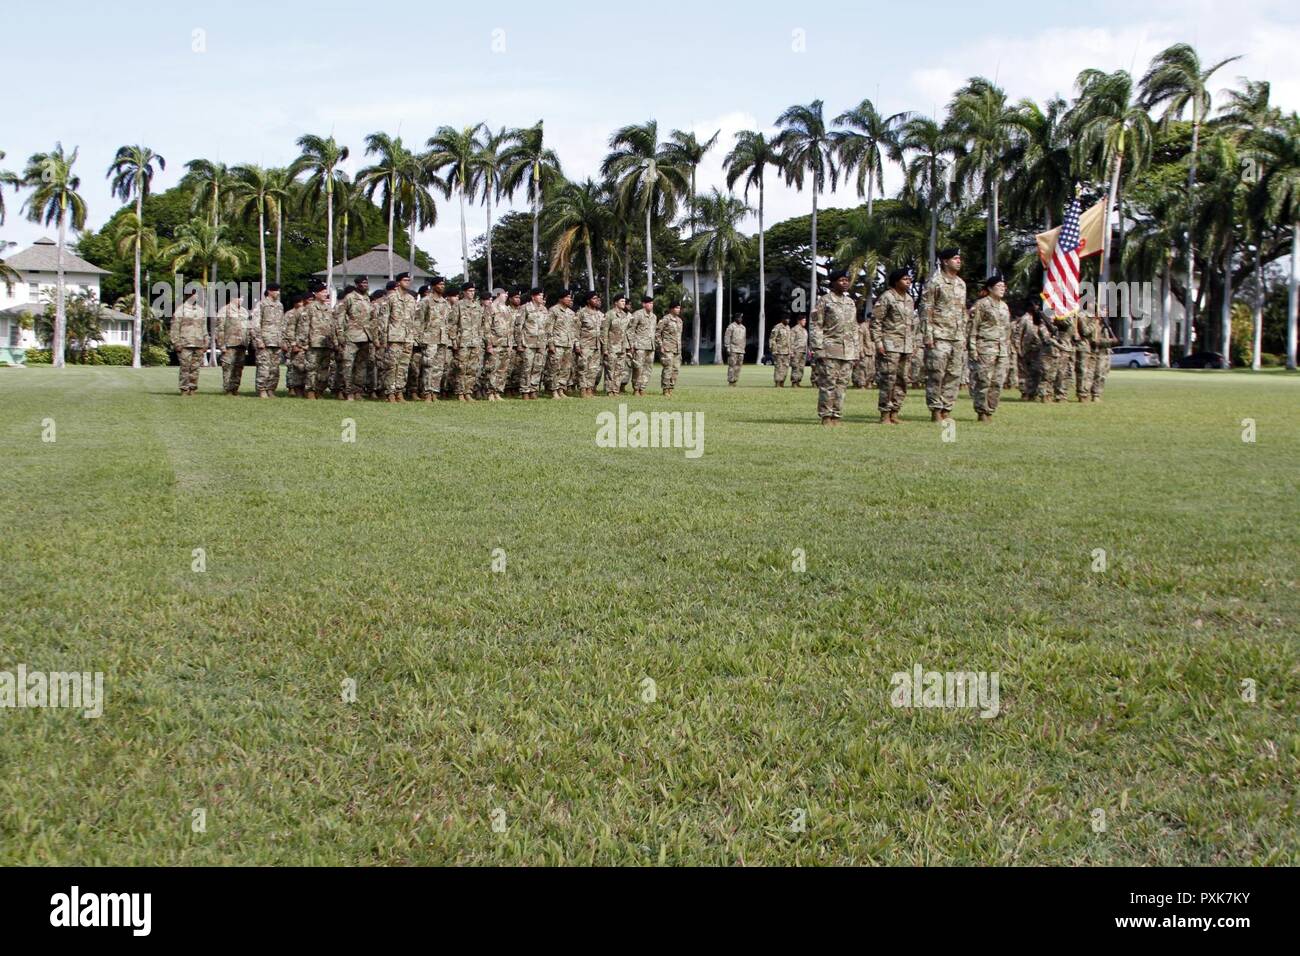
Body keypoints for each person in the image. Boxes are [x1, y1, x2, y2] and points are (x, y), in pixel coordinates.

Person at [921, 247, 968, 422]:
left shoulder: (961, 284)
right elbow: (926, 310)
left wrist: (963, 335)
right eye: (955, 258)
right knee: (936, 374)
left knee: (954, 375)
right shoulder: (935, 282)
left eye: (959, 258)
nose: (958, 261)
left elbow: (963, 312)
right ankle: (935, 410)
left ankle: (947, 409)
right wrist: (928, 335)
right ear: (945, 261)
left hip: (956, 336)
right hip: (939, 335)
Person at [811, 270, 860, 425]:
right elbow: (816, 325)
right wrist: (818, 348)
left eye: (846, 280)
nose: (845, 283)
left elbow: (854, 328)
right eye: (841, 280)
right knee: (828, 384)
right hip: (829, 349)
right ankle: (826, 416)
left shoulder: (850, 302)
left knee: (842, 385)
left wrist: (856, 350)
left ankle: (836, 415)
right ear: (832, 283)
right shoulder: (824, 301)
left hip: (848, 350)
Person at [873, 267, 917, 424]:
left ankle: (895, 412)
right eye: (905, 279)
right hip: (890, 345)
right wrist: (878, 342)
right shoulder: (887, 297)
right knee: (888, 380)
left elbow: (912, 324)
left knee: (902, 380)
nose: (908, 281)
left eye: (909, 279)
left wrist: (914, 343)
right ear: (896, 281)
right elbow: (876, 322)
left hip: (906, 346)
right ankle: (885, 413)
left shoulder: (910, 299)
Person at [968, 273, 1012, 422]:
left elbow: (1007, 330)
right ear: (990, 288)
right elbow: (973, 327)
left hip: (1002, 349)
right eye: (999, 286)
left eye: (1003, 286)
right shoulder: (982, 304)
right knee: (983, 381)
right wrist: (973, 348)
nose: (1002, 289)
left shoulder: (1004, 306)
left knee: (998, 382)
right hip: (985, 348)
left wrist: (1008, 348)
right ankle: (981, 411)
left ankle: (990, 410)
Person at [334, 277, 373, 401]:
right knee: (348, 364)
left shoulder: (367, 298)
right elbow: (340, 316)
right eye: (362, 283)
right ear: (357, 284)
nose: (365, 285)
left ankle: (358, 391)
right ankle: (348, 391)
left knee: (361, 366)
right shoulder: (349, 297)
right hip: (352, 335)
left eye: (366, 283)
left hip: (366, 336)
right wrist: (340, 334)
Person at [298, 280, 337, 399]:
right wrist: (303, 342)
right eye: (322, 292)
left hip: (327, 343)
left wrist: (335, 341)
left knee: (324, 369)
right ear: (316, 294)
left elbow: (333, 326)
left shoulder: (328, 309)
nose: (325, 294)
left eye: (326, 292)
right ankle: (310, 390)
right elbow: (304, 326)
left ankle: (320, 390)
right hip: (314, 343)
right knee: (312, 368)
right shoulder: (310, 308)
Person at [171, 287, 208, 396]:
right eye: (196, 294)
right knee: (185, 368)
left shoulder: (201, 310)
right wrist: (176, 343)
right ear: (190, 295)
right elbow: (174, 328)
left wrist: (206, 341)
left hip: (198, 343)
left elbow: (204, 328)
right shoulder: (180, 310)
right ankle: (184, 389)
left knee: (195, 368)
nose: (198, 297)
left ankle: (192, 388)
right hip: (185, 344)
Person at [451, 281, 484, 401]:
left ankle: (468, 392)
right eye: (469, 291)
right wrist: (454, 340)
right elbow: (453, 324)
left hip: (475, 341)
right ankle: (460, 392)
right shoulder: (458, 305)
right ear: (464, 292)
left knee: (472, 368)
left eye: (473, 291)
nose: (472, 293)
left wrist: (480, 340)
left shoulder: (478, 306)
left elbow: (481, 325)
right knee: (461, 368)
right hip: (462, 341)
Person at [215, 290, 252, 395]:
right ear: (233, 298)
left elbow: (248, 328)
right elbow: (220, 328)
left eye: (242, 298)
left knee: (239, 367)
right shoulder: (225, 310)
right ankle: (227, 389)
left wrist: (247, 342)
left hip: (242, 343)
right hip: (229, 343)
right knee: (228, 366)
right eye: (239, 297)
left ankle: (235, 388)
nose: (241, 300)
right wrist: (221, 345)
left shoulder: (244, 311)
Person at [545, 289, 579, 399]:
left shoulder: (571, 313)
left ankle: (561, 389)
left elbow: (574, 330)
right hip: (557, 343)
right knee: (555, 368)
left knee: (566, 368)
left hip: (568, 344)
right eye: (567, 297)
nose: (570, 299)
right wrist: (550, 344)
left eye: (570, 298)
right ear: (561, 299)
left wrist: (574, 344)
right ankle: (554, 390)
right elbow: (549, 329)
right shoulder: (553, 310)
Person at [252, 283, 284, 398]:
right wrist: (258, 339)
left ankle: (271, 389)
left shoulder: (280, 305)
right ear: (269, 291)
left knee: (274, 368)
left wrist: (283, 340)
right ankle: (262, 389)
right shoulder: (262, 304)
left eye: (278, 291)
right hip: (265, 341)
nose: (278, 293)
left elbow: (282, 324)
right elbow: (255, 323)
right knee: (264, 366)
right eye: (276, 291)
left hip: (277, 341)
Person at [516, 288, 548, 400]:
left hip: (541, 343)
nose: (541, 297)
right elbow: (519, 327)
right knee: (527, 367)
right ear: (533, 297)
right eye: (539, 295)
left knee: (538, 367)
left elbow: (546, 327)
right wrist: (519, 343)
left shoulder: (544, 309)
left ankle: (533, 390)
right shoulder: (525, 308)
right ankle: (525, 391)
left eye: (542, 295)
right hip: (528, 343)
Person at [601, 293, 632, 396]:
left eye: (624, 301)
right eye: (622, 301)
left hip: (622, 346)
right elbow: (604, 332)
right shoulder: (609, 314)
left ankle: (615, 390)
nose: (624, 303)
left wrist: (628, 347)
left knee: (619, 369)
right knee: (610, 369)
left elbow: (627, 332)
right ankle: (609, 390)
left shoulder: (625, 315)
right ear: (616, 302)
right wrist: (605, 348)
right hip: (611, 346)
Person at [575, 291, 604, 398]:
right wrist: (577, 345)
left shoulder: (600, 314)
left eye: (597, 298)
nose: (596, 300)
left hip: (597, 345)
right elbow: (576, 330)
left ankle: (589, 389)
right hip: (585, 345)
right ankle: (583, 390)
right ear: (588, 300)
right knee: (583, 368)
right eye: (594, 298)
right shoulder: (581, 313)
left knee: (594, 369)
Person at [627, 295, 657, 397]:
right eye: (649, 303)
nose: (651, 305)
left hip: (650, 346)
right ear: (644, 304)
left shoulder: (654, 316)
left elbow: (654, 332)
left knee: (648, 369)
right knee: (638, 368)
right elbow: (631, 330)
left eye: (652, 303)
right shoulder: (637, 314)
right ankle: (636, 389)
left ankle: (642, 388)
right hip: (639, 346)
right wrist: (631, 345)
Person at [656, 302, 684, 396]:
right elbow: (657, 334)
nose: (678, 310)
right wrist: (661, 345)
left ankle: (671, 388)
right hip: (667, 348)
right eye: (676, 308)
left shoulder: (680, 321)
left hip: (677, 349)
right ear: (671, 309)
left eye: (679, 308)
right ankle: (665, 389)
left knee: (676, 369)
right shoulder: (665, 319)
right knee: (668, 368)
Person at [1091, 310, 1119, 402]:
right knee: (1098, 374)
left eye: (1106, 312)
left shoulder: (1107, 327)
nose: (1105, 314)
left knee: (1104, 375)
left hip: (1106, 353)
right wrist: (1111, 341)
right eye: (1103, 312)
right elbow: (1096, 341)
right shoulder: (1096, 326)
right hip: (1099, 353)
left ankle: (1099, 393)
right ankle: (1095, 394)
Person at [851, 314, 874, 389]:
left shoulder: (873, 327)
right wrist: (860, 352)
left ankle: (869, 382)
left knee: (871, 368)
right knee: (862, 368)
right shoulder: (863, 327)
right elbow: (860, 340)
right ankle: (862, 384)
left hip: (872, 351)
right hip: (864, 350)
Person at [769, 318, 792, 386]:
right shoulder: (777, 327)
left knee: (786, 367)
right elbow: (772, 339)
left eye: (789, 319)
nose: (788, 320)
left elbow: (789, 340)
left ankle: (782, 382)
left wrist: (790, 350)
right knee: (779, 367)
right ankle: (777, 382)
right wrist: (773, 350)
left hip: (786, 351)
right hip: (779, 351)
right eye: (786, 319)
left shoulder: (788, 327)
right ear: (783, 319)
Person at [724, 314, 746, 385]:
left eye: (741, 318)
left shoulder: (743, 327)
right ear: (736, 318)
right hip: (733, 349)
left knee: (738, 366)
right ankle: (731, 381)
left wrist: (743, 348)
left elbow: (744, 339)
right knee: (732, 366)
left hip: (741, 350)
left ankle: (735, 380)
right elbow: (727, 337)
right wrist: (727, 347)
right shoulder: (731, 326)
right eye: (739, 318)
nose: (741, 319)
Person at [790, 315, 808, 386]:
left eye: (805, 320)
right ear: (799, 321)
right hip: (796, 351)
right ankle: (794, 382)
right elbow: (791, 341)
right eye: (804, 320)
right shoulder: (794, 329)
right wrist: (791, 351)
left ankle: (798, 381)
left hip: (803, 351)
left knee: (801, 367)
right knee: (795, 367)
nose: (805, 322)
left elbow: (805, 341)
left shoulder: (804, 330)